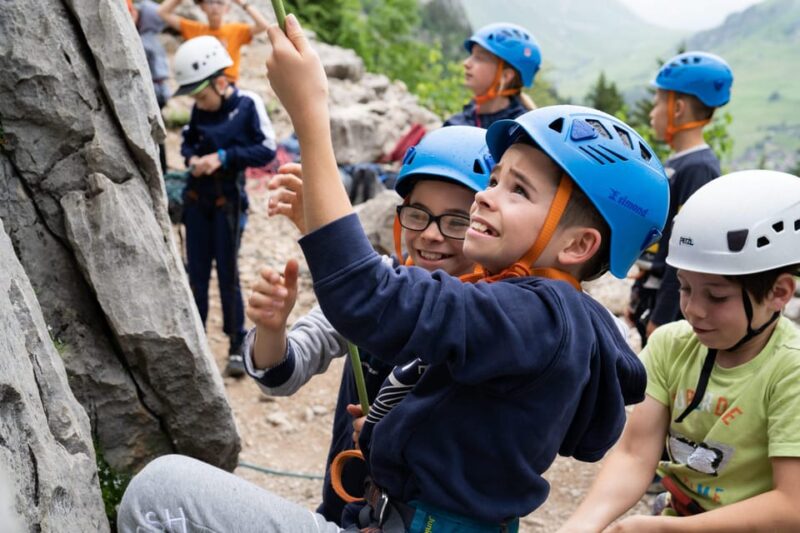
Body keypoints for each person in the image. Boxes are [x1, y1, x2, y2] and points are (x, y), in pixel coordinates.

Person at [117, 16, 669, 532]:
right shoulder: (543, 319)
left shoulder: (533, 316)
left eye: (516, 190)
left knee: (160, 489)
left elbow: (366, 295)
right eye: (495, 180)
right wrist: (394, 439)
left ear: (578, 245)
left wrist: (311, 116)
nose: (485, 201)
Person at [242, 125, 494, 524]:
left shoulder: (498, 321)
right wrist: (272, 329)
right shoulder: (372, 290)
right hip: (348, 510)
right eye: (418, 215)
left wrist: (393, 437)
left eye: (457, 222)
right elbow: (281, 374)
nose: (431, 234)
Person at [559, 170, 800, 532]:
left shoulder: (790, 369)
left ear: (779, 293)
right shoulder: (672, 344)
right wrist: (581, 526)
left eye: (716, 296)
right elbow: (635, 453)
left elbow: (791, 506)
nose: (693, 310)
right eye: (685, 287)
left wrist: (666, 529)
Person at [175, 36, 276, 377]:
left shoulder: (247, 105)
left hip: (228, 204)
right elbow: (188, 140)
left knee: (228, 274)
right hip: (196, 202)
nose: (199, 104)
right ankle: (196, 341)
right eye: (194, 98)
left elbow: (267, 149)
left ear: (221, 82)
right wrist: (192, 159)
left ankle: (236, 343)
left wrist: (222, 158)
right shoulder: (198, 109)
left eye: (202, 96)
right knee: (196, 274)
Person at [629, 51, 734, 346]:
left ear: (679, 108)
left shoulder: (699, 168)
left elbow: (685, 251)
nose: (652, 112)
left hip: (671, 302)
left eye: (658, 102)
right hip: (654, 288)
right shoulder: (680, 162)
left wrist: (662, 316)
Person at [444, 22, 540, 129]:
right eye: (471, 56)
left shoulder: (519, 133)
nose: (466, 63)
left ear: (506, 76)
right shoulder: (459, 121)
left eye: (479, 58)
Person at [157, 0, 270, 83]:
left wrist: (242, 3)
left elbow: (263, 25)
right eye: (210, 2)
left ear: (227, 8)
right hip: (204, 83)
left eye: (220, 2)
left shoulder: (236, 30)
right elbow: (162, 12)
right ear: (202, 7)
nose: (215, 7)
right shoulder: (195, 29)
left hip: (228, 83)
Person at [130, 0, 172, 172]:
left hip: (157, 88)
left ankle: (162, 169)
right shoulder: (141, 34)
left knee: (155, 131)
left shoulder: (148, 13)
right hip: (152, 86)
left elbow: (164, 13)